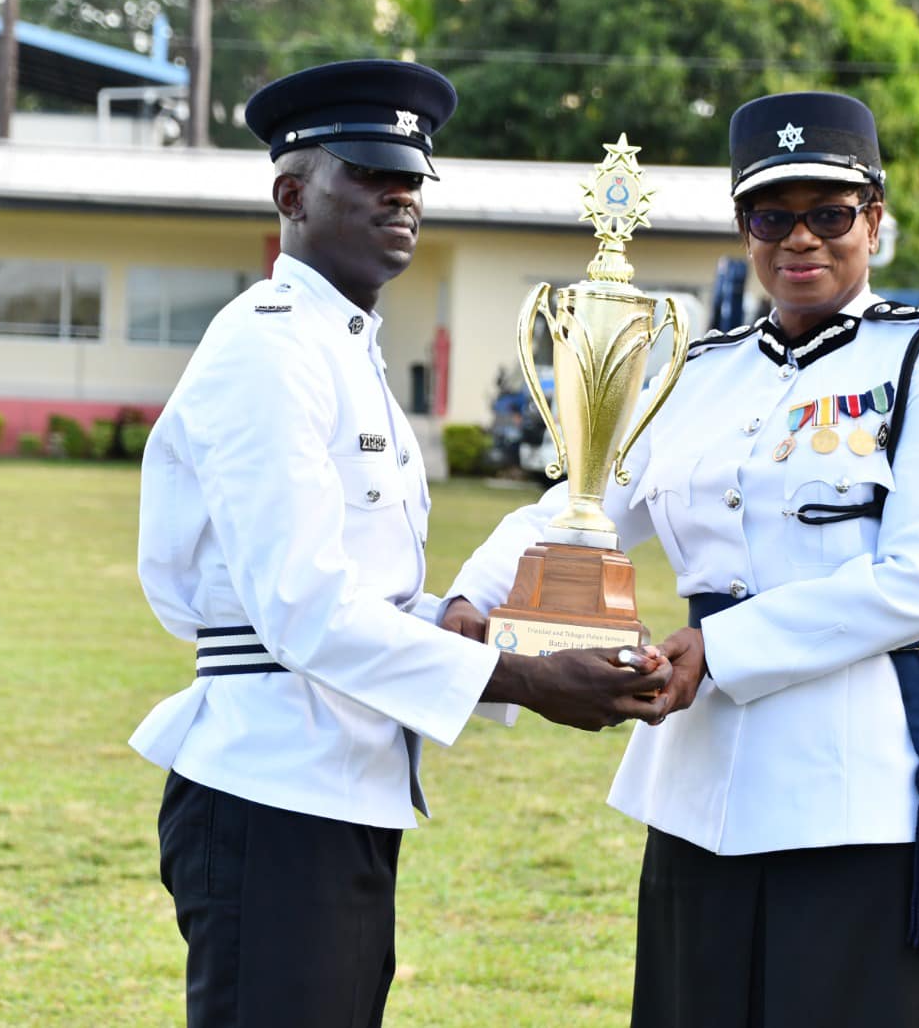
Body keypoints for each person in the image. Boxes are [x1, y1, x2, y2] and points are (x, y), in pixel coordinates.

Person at [443, 90, 919, 1026]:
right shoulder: (697, 374)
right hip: (704, 784)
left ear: (873, 219)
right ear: (743, 228)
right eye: (772, 216)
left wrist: (721, 647)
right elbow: (584, 503)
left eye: (830, 214)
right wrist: (474, 596)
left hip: (868, 794)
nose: (802, 240)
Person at [126, 60, 671, 1028]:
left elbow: (363, 593)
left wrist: (466, 621)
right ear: (291, 195)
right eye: (370, 173)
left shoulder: (344, 346)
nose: (401, 195)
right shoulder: (271, 344)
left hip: (340, 779)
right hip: (274, 786)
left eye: (412, 176)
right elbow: (303, 611)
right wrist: (527, 679)